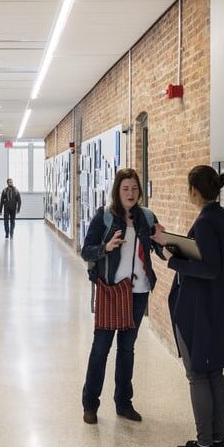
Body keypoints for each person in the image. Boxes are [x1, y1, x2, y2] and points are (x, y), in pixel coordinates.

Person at [78, 169, 165, 425]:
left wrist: (164, 241)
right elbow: (86, 251)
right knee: (101, 349)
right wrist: (106, 247)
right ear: (117, 190)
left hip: (138, 292)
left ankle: (124, 403)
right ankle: (90, 404)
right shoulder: (105, 216)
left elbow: (160, 249)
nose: (130, 193)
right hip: (111, 291)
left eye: (135, 188)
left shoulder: (146, 217)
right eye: (126, 188)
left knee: (127, 349)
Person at [165, 165, 224, 447]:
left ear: (193, 190)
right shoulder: (223, 217)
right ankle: (218, 440)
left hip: (199, 306)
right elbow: (223, 266)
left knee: (197, 374)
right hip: (217, 302)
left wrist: (173, 260)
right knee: (214, 372)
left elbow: (209, 268)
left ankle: (205, 443)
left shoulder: (206, 222)